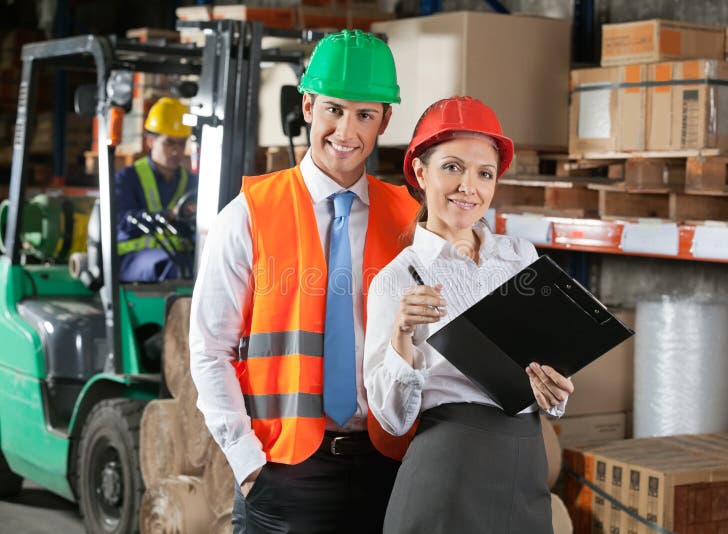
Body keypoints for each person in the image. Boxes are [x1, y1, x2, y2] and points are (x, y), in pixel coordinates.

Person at [189, 30, 419, 533]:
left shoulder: (407, 219)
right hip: (284, 468)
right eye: (334, 109)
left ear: (385, 119)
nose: (346, 130)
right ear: (309, 106)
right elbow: (209, 349)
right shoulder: (247, 215)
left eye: (365, 114)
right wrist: (247, 464)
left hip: (389, 461)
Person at [363, 96, 575, 533]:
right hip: (448, 469)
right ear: (421, 173)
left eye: (485, 173)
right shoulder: (396, 279)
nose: (469, 187)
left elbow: (545, 363)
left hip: (525, 462)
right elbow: (393, 419)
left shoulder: (520, 259)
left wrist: (555, 391)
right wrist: (403, 334)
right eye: (453, 167)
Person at [115, 96, 197, 282]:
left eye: (181, 143)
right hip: (133, 259)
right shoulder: (127, 179)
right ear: (151, 142)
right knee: (174, 266)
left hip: (177, 254)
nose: (176, 151)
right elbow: (121, 222)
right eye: (169, 143)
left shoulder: (191, 182)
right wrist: (167, 215)